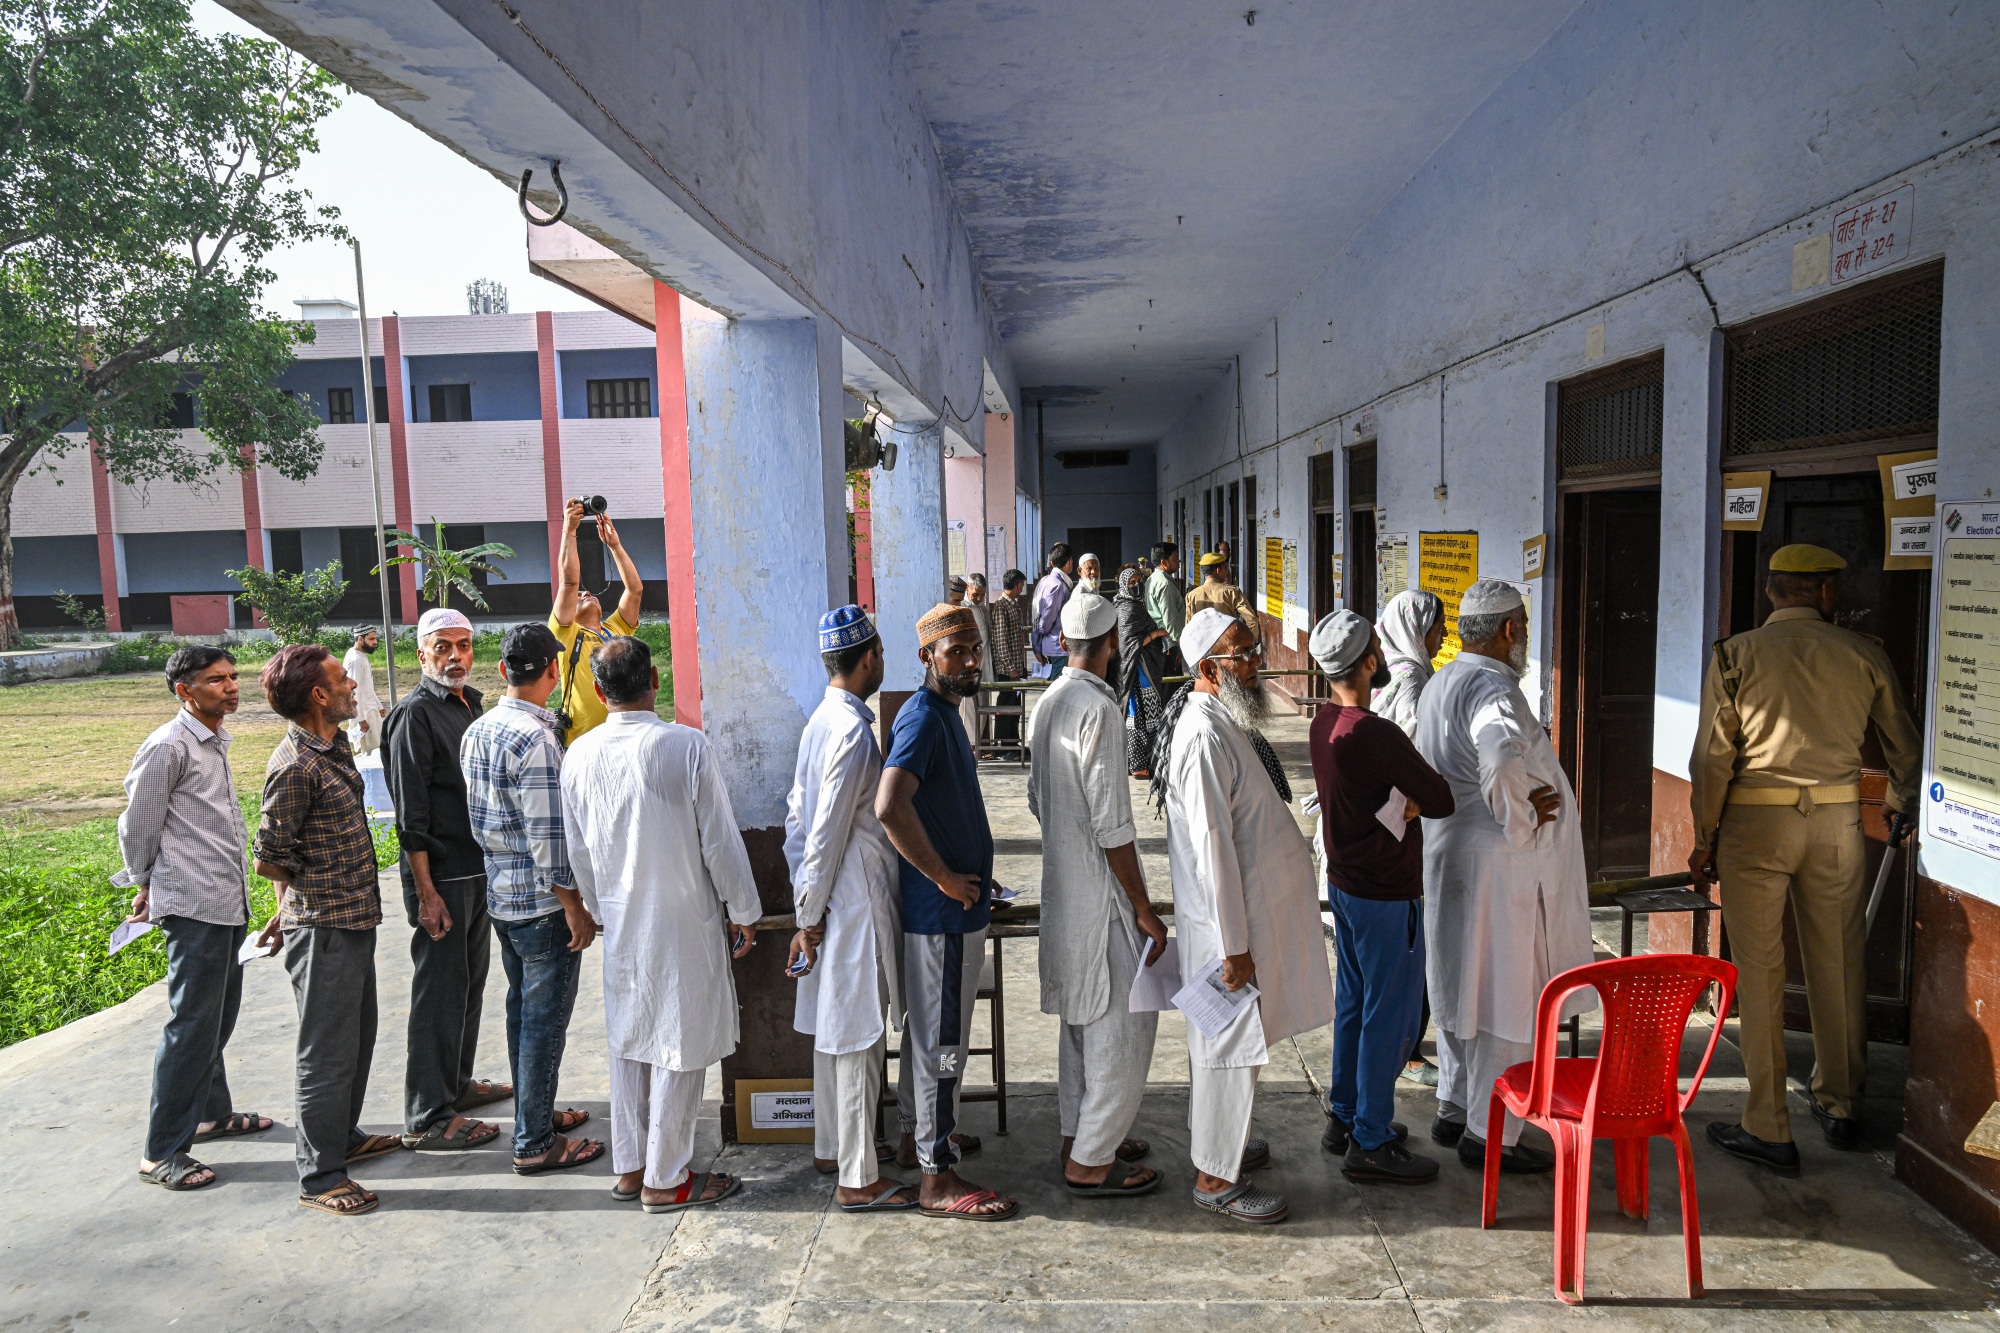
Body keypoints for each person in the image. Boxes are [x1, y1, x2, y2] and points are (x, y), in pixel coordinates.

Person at [1689, 544, 1921, 1174]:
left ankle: (1768, 1124)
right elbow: (1904, 743)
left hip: (1753, 825)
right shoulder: (1864, 654)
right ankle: (1842, 1104)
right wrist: (1900, 800)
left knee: (1760, 970)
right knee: (1840, 960)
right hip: (1838, 823)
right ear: (1825, 594)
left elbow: (1713, 758)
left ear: (1771, 593)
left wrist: (1704, 835)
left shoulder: (1735, 655)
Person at [560, 635, 757, 1212]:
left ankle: (632, 1165)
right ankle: (666, 1178)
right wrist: (743, 909)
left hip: (621, 917)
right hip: (682, 920)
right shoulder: (685, 746)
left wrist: (599, 907)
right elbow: (720, 840)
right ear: (655, 682)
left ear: (599, 691)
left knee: (631, 1039)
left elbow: (578, 852)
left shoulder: (579, 754)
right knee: (679, 1041)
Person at [1159, 608, 1334, 1223]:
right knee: (1228, 1049)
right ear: (1209, 668)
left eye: (1255, 650)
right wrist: (1234, 946)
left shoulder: (1224, 719)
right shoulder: (1204, 735)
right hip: (1228, 930)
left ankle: (1226, 1147)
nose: (1256, 663)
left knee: (1235, 1050)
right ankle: (1215, 1179)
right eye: (1243, 655)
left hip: (1247, 921)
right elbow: (1212, 849)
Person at [1415, 580, 1594, 1173]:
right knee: (1508, 994)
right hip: (1498, 863)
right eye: (1522, 623)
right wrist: (1520, 819)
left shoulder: (1440, 681)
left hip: (1449, 852)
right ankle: (1492, 1132)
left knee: (1463, 981)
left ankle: (1455, 1105)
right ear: (1510, 630)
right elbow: (1496, 755)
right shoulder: (1494, 687)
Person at [874, 603, 1019, 1221]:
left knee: (934, 1043)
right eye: (954, 651)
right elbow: (889, 805)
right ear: (926, 657)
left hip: (955, 909)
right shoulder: (925, 719)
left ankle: (919, 1139)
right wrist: (944, 876)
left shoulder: (947, 713)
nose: (967, 661)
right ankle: (937, 1180)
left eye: (973, 649)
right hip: (941, 918)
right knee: (943, 1047)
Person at [1028, 590, 1169, 1198]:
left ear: (1064, 643)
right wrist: (1141, 905)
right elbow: (1113, 824)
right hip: (1103, 896)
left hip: (1064, 889)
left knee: (1080, 1024)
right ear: (1113, 646)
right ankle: (1090, 1160)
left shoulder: (1049, 701)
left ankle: (1080, 1135)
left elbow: (1038, 800)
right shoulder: (1101, 710)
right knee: (1121, 1029)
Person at [251, 644, 400, 1217]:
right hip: (323, 927)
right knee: (326, 1052)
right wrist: (287, 911)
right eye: (343, 680)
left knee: (357, 1039)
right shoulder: (294, 765)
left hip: (352, 917)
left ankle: (344, 1138)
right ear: (318, 694)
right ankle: (320, 1176)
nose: (352, 686)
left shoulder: (332, 744)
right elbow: (270, 854)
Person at [1307, 611, 1455, 1184]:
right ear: (1371, 662)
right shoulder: (1375, 733)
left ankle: (1343, 1116)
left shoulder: (1325, 725)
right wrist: (1410, 799)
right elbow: (1440, 798)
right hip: (1386, 891)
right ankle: (1370, 1139)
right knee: (1387, 1015)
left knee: (1354, 1003)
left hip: (1345, 885)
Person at [118, 646, 271, 1192]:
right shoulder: (168, 746)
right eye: (216, 680)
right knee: (192, 1025)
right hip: (192, 904)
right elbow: (137, 825)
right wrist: (143, 881)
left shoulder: (214, 740)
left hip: (225, 900)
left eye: (232, 677)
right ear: (185, 691)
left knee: (216, 1018)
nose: (231, 687)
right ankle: (161, 1150)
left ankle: (211, 1115)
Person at [460, 622, 605, 1176]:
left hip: (502, 897)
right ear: (553, 671)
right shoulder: (536, 740)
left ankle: (533, 1117)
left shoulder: (480, 729)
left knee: (523, 1014)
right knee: (543, 1024)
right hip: (543, 908)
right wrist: (574, 906)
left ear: (502, 671)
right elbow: (548, 837)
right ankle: (535, 1142)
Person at [784, 607, 914, 1212]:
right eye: (882, 656)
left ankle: (833, 1147)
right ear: (870, 658)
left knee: (837, 1030)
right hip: (852, 898)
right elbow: (826, 832)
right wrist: (809, 916)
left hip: (832, 895)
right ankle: (858, 1178)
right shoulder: (851, 733)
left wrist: (805, 904)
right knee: (858, 1035)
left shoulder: (821, 722)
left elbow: (797, 822)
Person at [382, 607, 508, 1153]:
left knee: (469, 984)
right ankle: (428, 1113)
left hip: (478, 867)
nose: (455, 657)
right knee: (438, 991)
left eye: (463, 645)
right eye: (443, 647)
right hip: (442, 877)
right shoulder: (414, 716)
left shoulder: (469, 706)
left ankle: (455, 1085)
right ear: (421, 653)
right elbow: (410, 816)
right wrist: (425, 891)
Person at [1371, 588, 1448, 1088]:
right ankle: (1409, 1050)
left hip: (1387, 824)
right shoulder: (1412, 679)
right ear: (1419, 629)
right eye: (1438, 627)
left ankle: (1405, 1042)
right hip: (1400, 826)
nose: (1442, 636)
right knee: (1409, 943)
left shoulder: (1391, 670)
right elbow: (1412, 753)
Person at [549, 498, 644, 746]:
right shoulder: (565, 633)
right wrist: (569, 530)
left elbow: (634, 590)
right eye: (579, 596)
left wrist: (615, 546)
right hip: (582, 742)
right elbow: (569, 582)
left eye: (588, 593)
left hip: (624, 739)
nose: (585, 593)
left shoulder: (616, 630)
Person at [1113, 565, 1170, 777]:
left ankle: (1146, 762)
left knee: (1149, 715)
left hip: (1143, 669)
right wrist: (1156, 634)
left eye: (1138, 581)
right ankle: (1139, 765)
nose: (1136, 586)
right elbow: (1129, 644)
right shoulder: (1126, 608)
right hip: (1136, 673)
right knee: (1137, 715)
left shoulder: (1134, 604)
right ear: (1123, 586)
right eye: (1131, 583)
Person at [1372, 591, 1446, 738]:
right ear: (1416, 631)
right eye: (1439, 628)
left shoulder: (1381, 662)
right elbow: (1417, 741)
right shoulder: (1411, 678)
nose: (1445, 634)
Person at [987, 570, 1031, 744]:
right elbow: (1000, 640)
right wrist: (1010, 667)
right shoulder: (1001, 607)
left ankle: (1014, 742)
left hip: (1017, 666)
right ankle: (1005, 744)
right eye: (1021, 585)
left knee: (1015, 706)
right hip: (1008, 669)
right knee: (1005, 706)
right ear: (1017, 584)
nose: (1022, 589)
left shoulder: (1014, 605)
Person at [1185, 551, 1260, 641]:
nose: (1227, 572)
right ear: (1218, 570)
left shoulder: (1191, 596)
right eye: (1225, 568)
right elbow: (1251, 620)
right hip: (1229, 648)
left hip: (1204, 650)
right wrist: (1249, 643)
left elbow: (1189, 627)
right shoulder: (1232, 592)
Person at [1031, 543, 1077, 678]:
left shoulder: (1045, 581)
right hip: (1058, 646)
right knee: (1058, 689)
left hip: (1051, 645)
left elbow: (1036, 613)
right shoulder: (1057, 585)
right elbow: (1046, 620)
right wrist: (1041, 632)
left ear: (1051, 563)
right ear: (1069, 561)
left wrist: (1036, 644)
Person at [342, 627, 385, 756]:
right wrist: (360, 719)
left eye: (375, 638)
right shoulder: (355, 660)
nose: (375, 642)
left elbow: (367, 687)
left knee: (379, 750)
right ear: (360, 639)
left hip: (371, 710)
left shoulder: (360, 656)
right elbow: (352, 691)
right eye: (371, 639)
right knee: (371, 755)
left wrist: (379, 706)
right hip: (364, 714)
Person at [1145, 541, 1186, 646]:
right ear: (1164, 563)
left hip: (1160, 639)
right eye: (1175, 558)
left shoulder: (1152, 578)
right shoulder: (1165, 584)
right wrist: (1179, 642)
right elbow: (1170, 619)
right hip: (1169, 642)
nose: (1179, 561)